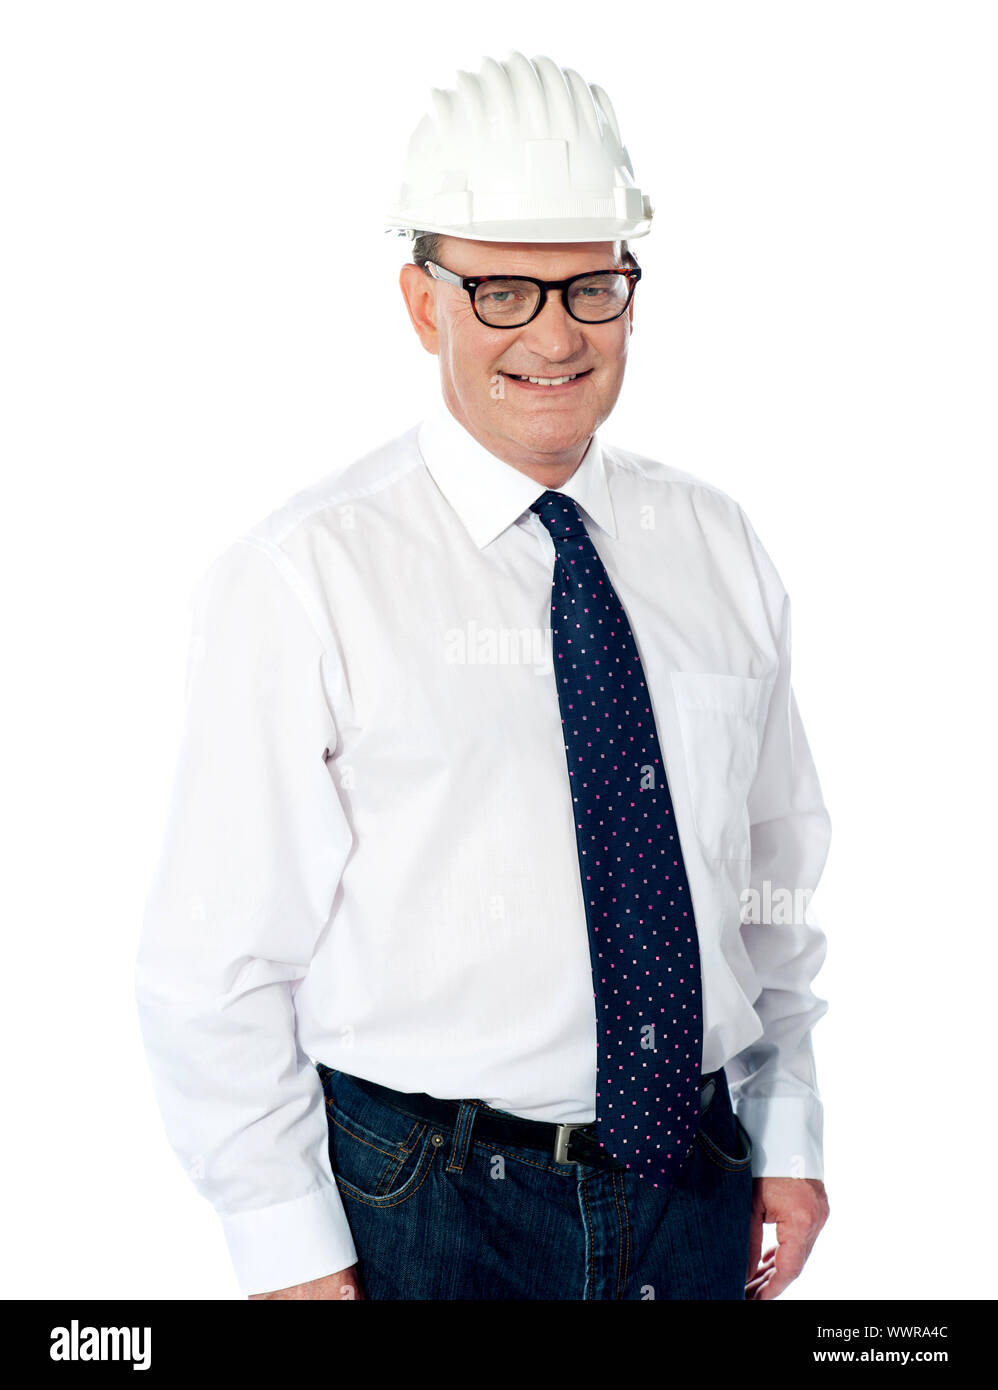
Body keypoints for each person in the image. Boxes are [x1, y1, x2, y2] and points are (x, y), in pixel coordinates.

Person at [135, 50, 831, 1302]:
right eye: (502, 291)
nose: (554, 335)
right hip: (429, 1205)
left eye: (590, 287)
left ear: (632, 292)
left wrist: (786, 1126)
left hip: (699, 1187)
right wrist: (285, 1247)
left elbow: (771, 879)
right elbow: (217, 958)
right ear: (422, 304)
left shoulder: (715, 547)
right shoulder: (307, 578)